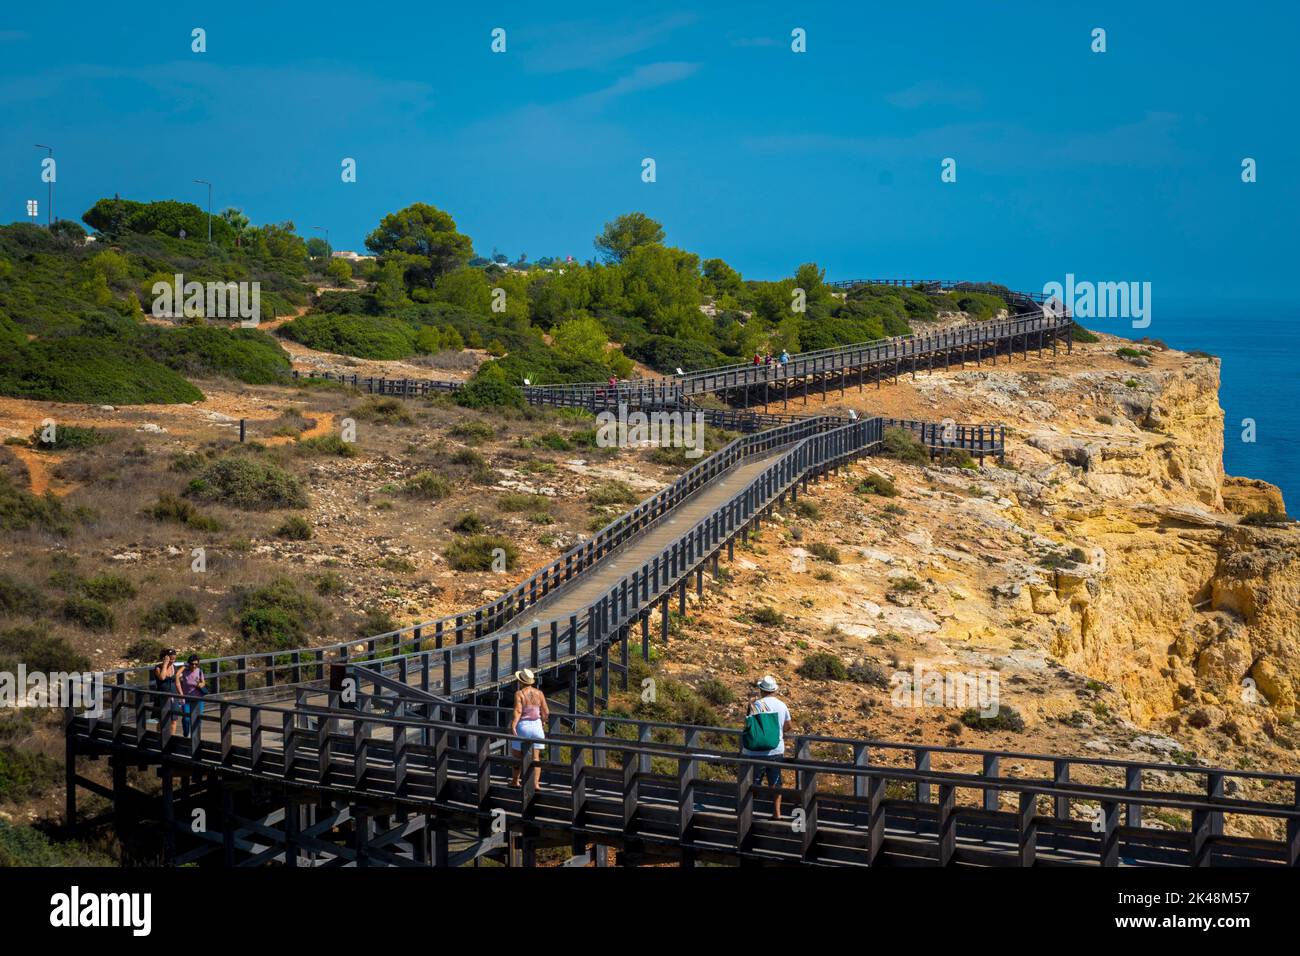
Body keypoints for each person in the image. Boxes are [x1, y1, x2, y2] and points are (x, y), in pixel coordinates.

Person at [741, 675, 793, 819]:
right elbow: (789, 725)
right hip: (775, 750)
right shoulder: (782, 705)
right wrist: (778, 732)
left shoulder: (755, 705)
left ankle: (747, 812)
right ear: (774, 690)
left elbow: (748, 725)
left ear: (761, 689)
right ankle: (777, 813)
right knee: (776, 782)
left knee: (753, 783)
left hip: (755, 752)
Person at [510, 669, 549, 789]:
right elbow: (546, 712)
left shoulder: (519, 693)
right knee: (536, 758)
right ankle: (536, 783)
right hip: (537, 726)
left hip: (523, 727)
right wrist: (542, 722)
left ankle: (515, 781)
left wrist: (514, 724)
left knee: (517, 756)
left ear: (521, 681)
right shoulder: (539, 693)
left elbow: (518, 710)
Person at [178, 654, 207, 737]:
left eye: (196, 664)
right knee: (186, 718)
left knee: (198, 718)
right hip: (186, 699)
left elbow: (203, 682)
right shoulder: (184, 672)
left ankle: (196, 736)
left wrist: (201, 684)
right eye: (192, 664)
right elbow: (176, 676)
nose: (194, 666)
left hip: (198, 698)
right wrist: (184, 666)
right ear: (188, 663)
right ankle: (186, 734)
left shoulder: (199, 671)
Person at [152, 648, 180, 735]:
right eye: (170, 659)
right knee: (162, 719)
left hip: (173, 696)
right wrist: (165, 664)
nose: (172, 661)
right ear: (164, 658)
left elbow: (177, 682)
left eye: (174, 659)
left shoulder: (174, 667)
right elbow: (162, 678)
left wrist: (181, 695)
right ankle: (160, 737)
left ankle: (172, 739)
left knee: (174, 720)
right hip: (162, 697)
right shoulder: (158, 668)